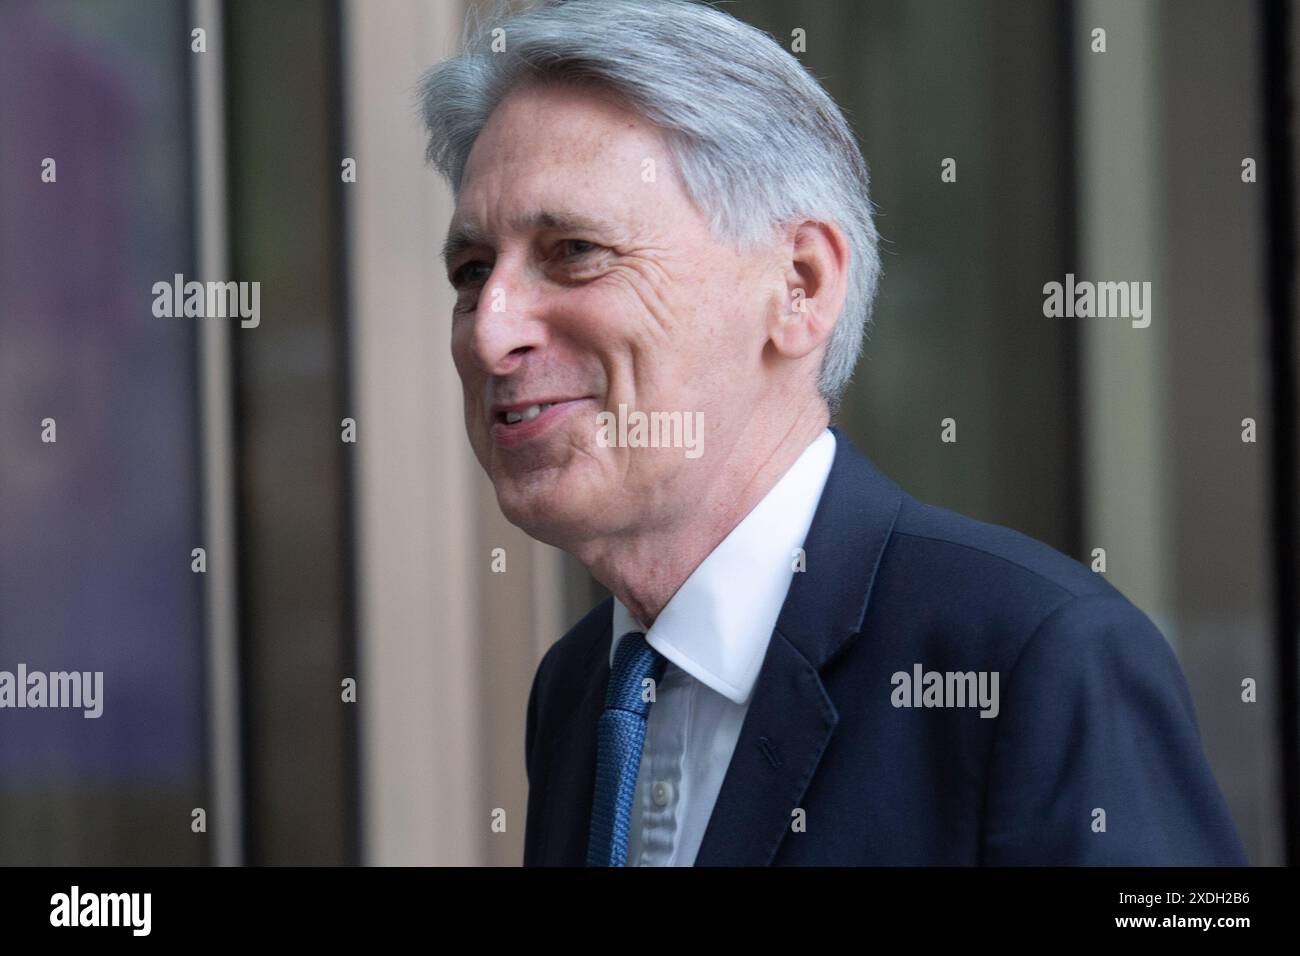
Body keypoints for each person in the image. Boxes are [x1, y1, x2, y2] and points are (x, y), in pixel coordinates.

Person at [418, 0, 1247, 866]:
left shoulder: (1038, 658)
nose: (490, 329)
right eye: (473, 273)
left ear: (801, 286)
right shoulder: (582, 686)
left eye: (575, 250)